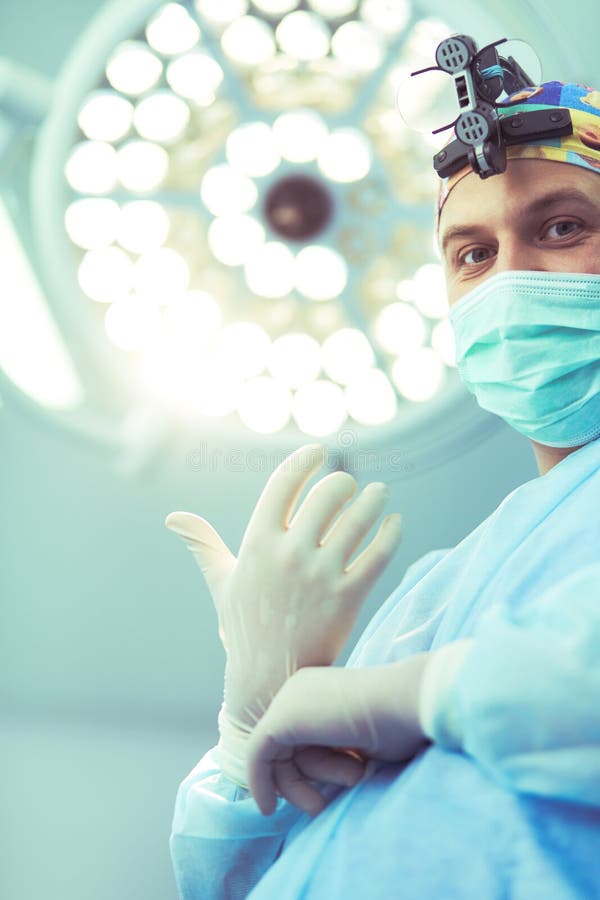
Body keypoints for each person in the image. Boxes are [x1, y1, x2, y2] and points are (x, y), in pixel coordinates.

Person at [165, 74, 600, 899]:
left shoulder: (413, 661)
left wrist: (426, 693)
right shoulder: (436, 594)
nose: (509, 281)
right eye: (473, 254)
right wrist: (246, 732)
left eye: (562, 226)